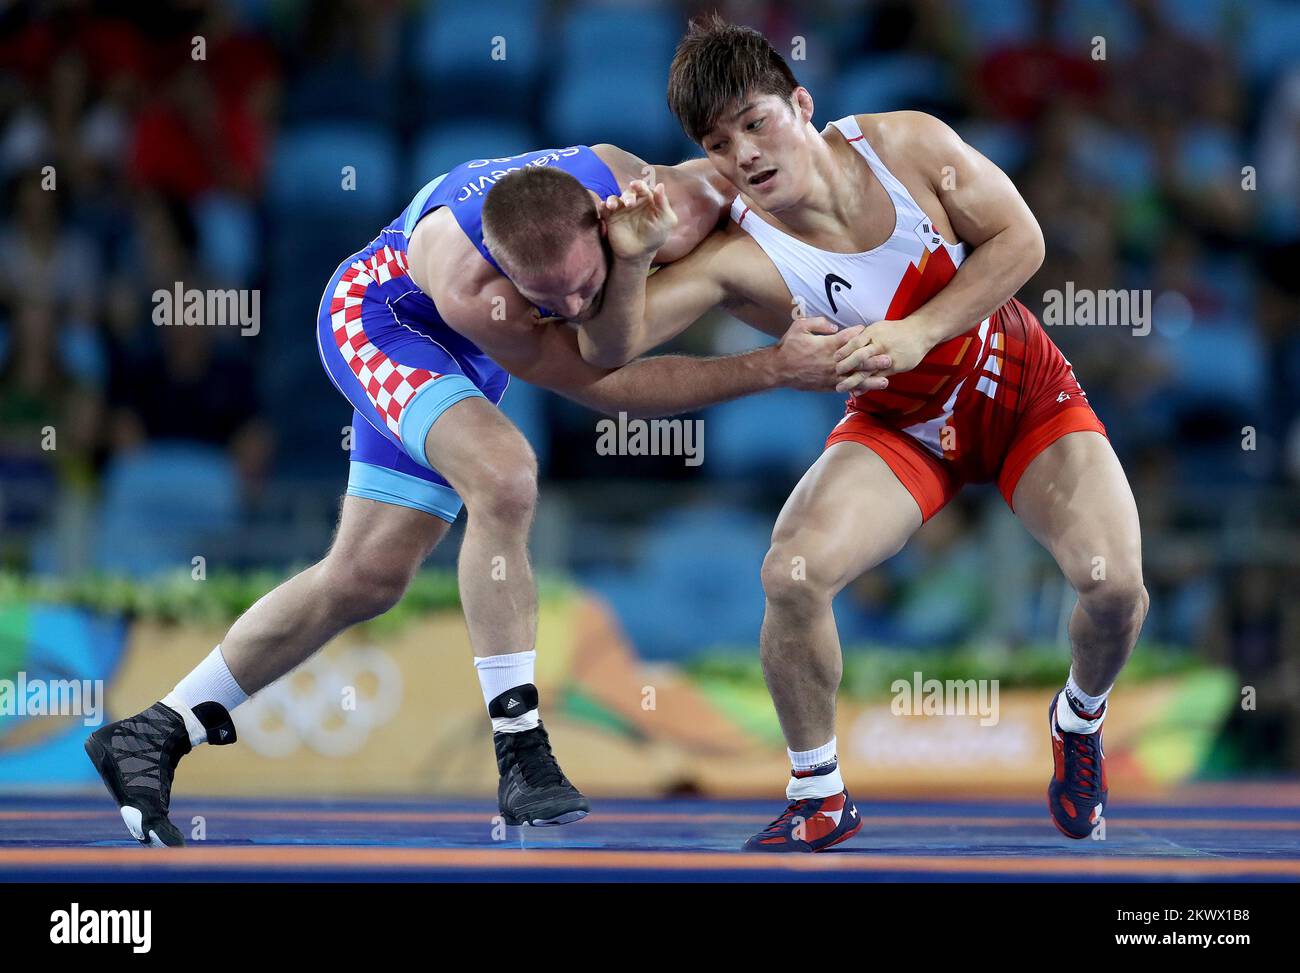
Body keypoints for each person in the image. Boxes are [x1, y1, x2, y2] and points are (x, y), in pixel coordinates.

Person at [85, 139, 856, 846]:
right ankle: (522, 751)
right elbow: (606, 379)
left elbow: (762, 183)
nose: (573, 308)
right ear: (512, 280)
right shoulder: (472, 283)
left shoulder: (656, 197)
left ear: (601, 222)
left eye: (585, 285)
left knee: (365, 577)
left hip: (466, 347)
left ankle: (154, 731)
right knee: (507, 474)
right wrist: (771, 369)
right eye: (546, 300)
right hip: (382, 320)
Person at [580, 15, 1148, 851]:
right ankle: (818, 791)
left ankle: (1079, 718)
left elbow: (1022, 240)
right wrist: (629, 263)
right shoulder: (740, 255)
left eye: (757, 122)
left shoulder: (908, 144)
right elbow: (603, 362)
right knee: (792, 573)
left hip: (1023, 392)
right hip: (902, 427)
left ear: (802, 104)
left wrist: (918, 333)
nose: (745, 154)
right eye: (719, 141)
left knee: (1115, 589)